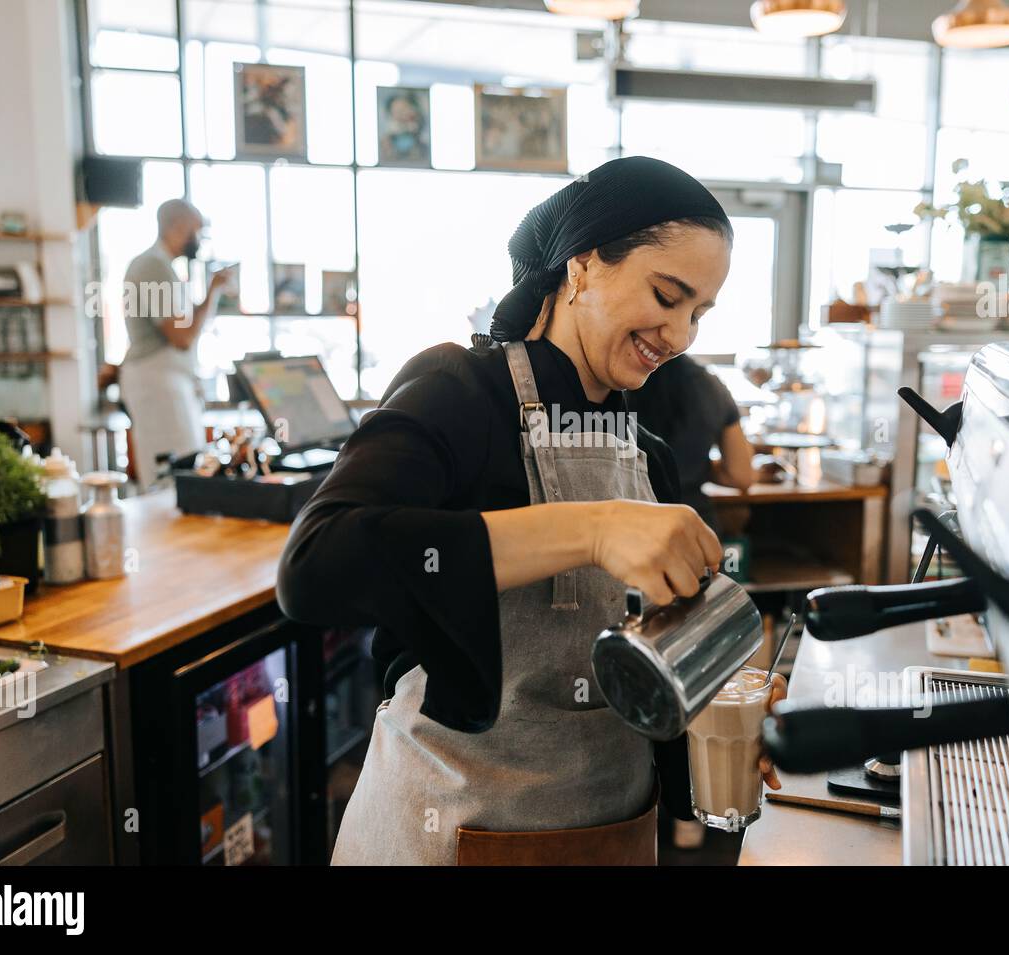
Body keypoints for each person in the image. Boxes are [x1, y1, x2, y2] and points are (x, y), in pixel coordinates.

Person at [277, 156, 787, 866]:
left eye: (698, 313)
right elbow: (315, 568)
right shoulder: (458, 392)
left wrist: (717, 713)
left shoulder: (649, 455)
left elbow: (661, 694)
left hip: (610, 841)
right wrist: (593, 529)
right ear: (582, 265)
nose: (679, 335)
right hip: (445, 832)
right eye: (667, 296)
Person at [119, 199, 233, 487]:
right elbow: (181, 337)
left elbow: (182, 327)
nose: (199, 237)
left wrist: (212, 293)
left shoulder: (164, 268)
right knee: (170, 478)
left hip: (167, 381)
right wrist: (212, 293)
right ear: (178, 225)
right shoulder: (152, 266)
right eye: (197, 229)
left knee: (184, 471)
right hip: (157, 382)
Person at [625, 353, 757, 534]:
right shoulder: (710, 385)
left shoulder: (620, 379)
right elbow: (741, 475)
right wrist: (695, 467)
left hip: (631, 524)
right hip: (693, 523)